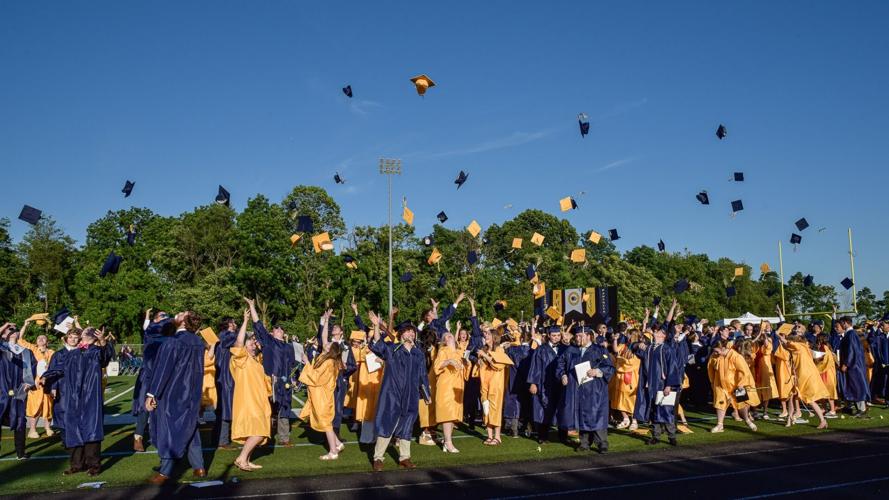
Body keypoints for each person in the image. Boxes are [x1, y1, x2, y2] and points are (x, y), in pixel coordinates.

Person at [40, 327, 113, 475]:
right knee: (73, 430)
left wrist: (103, 341)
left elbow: (106, 358)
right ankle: (77, 465)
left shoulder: (95, 352)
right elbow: (59, 368)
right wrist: (46, 376)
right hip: (72, 398)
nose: (82, 336)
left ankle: (93, 466)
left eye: (84, 334)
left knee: (91, 431)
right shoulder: (73, 353)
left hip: (90, 398)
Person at [145, 311, 207, 484]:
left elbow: (163, 370)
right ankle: (199, 466)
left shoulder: (173, 342)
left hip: (173, 392)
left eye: (181, 314)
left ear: (183, 322)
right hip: (193, 391)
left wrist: (152, 393)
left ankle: (165, 471)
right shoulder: (198, 342)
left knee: (169, 429)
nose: (177, 314)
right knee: (190, 427)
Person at [368, 312, 430, 472]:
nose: (411, 333)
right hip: (392, 394)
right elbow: (376, 344)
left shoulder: (418, 354)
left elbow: (423, 375)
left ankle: (404, 457)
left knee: (407, 424)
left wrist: (426, 394)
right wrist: (376, 325)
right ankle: (378, 458)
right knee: (387, 423)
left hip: (411, 395)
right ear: (401, 334)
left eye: (413, 331)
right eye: (408, 331)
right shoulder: (392, 349)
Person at [245, 297, 296, 446]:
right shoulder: (268, 342)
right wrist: (252, 306)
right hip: (270, 380)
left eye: (281, 328)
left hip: (285, 382)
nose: (279, 329)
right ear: (272, 332)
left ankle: (284, 437)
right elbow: (258, 325)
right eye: (276, 328)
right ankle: (262, 436)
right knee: (267, 409)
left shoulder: (289, 347)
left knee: (284, 409)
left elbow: (292, 365)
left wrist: (293, 379)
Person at [558, 325, 614, 453]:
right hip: (578, 389)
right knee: (581, 414)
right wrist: (563, 374)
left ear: (589, 336)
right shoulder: (571, 350)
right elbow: (560, 364)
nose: (578, 338)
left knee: (597, 415)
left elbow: (610, 368)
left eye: (581, 336)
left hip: (595, 389)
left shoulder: (599, 350)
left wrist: (597, 370)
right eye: (577, 336)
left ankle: (602, 443)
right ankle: (584, 443)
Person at [634, 299, 682, 446]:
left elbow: (673, 368)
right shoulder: (649, 348)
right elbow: (635, 349)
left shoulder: (667, 349)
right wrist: (637, 345)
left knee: (666, 410)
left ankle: (671, 436)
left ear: (663, 335)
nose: (655, 332)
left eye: (658, 332)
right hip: (651, 385)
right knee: (654, 410)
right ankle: (655, 435)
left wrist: (669, 385)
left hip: (663, 384)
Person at [299, 309, 345, 460]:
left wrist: (306, 363)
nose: (327, 342)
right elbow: (324, 337)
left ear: (331, 350)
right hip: (321, 394)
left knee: (326, 423)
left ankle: (333, 452)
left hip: (323, 395)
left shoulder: (330, 362)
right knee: (326, 422)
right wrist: (325, 321)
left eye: (330, 344)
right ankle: (337, 444)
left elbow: (316, 378)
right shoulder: (325, 356)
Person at [230, 308, 273, 470]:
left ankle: (246, 460)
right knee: (260, 431)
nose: (253, 342)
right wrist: (245, 321)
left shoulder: (256, 360)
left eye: (254, 341)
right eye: (251, 341)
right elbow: (238, 343)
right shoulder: (241, 358)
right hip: (248, 401)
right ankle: (241, 458)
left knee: (257, 430)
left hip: (259, 400)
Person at [132, 309, 171, 452]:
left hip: (165, 373)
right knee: (145, 407)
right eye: (162, 316)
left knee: (164, 405)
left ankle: (163, 436)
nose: (165, 318)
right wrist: (148, 316)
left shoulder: (168, 335)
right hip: (149, 374)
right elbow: (146, 327)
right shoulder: (150, 332)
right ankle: (138, 437)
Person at [0, 323, 38, 460]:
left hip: (20, 390)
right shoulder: (1, 349)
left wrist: (29, 383)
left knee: (20, 419)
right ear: (3, 334)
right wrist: (5, 325)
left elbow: (33, 368)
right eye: (10, 330)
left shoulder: (26, 352)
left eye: (15, 330)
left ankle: (20, 452)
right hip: (2, 390)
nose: (13, 331)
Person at [707, 339, 759, 433]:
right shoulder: (715, 355)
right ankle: (719, 425)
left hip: (737, 386)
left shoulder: (736, 356)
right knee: (720, 404)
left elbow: (744, 371)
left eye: (716, 350)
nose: (714, 352)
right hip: (720, 384)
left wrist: (741, 384)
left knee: (742, 404)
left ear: (723, 348)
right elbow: (710, 368)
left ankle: (747, 420)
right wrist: (712, 381)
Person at [527, 324, 566, 444]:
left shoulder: (565, 349)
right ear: (548, 335)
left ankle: (562, 436)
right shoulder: (541, 350)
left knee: (562, 409)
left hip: (561, 384)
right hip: (545, 384)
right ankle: (543, 436)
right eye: (553, 335)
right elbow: (535, 367)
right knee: (545, 410)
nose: (556, 338)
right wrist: (533, 383)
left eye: (558, 335)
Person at [781, 334, 829, 429]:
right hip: (803, 375)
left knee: (809, 399)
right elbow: (787, 347)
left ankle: (822, 420)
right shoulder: (802, 348)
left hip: (805, 376)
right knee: (793, 396)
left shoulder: (799, 347)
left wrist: (781, 338)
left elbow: (789, 344)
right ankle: (790, 418)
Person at [433, 330, 469, 452]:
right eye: (447, 336)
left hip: (457, 387)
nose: (450, 337)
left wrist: (466, 364)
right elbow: (437, 366)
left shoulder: (459, 352)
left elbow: (464, 370)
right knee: (447, 414)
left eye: (451, 336)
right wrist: (448, 361)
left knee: (453, 415)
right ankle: (448, 442)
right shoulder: (443, 351)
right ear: (444, 341)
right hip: (446, 386)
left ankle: (446, 441)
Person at [17, 320, 55, 438]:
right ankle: (32, 430)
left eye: (43, 338)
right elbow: (20, 339)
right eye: (39, 338)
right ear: (36, 342)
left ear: (47, 342)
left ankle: (47, 427)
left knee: (48, 405)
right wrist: (25, 325)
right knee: (35, 406)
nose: (41, 340)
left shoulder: (52, 352)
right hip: (36, 383)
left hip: (48, 382)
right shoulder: (33, 349)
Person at [477, 323, 511, 446]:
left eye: (487, 334)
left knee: (495, 409)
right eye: (484, 333)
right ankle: (489, 436)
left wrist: (485, 356)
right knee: (486, 409)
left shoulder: (499, 349)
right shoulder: (484, 349)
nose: (485, 335)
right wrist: (480, 360)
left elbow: (499, 366)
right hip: (485, 383)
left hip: (496, 383)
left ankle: (497, 437)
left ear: (493, 337)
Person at [213, 316, 239, 449]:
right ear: (229, 324)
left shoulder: (219, 335)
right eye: (233, 322)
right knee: (226, 407)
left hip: (220, 375)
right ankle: (223, 440)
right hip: (226, 376)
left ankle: (216, 437)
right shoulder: (227, 335)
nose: (235, 324)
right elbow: (238, 339)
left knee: (222, 407)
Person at [838, 316, 870, 417]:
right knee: (850, 385)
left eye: (842, 323)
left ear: (846, 323)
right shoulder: (850, 334)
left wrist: (846, 363)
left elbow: (851, 350)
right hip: (854, 364)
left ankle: (862, 409)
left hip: (854, 366)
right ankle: (848, 407)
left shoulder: (851, 334)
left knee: (857, 386)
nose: (841, 325)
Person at [610, 327, 641, 430]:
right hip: (621, 377)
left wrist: (620, 361)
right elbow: (615, 349)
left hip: (632, 376)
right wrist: (614, 340)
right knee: (620, 397)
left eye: (629, 334)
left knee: (631, 398)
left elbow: (634, 362)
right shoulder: (624, 346)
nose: (627, 336)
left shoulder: (638, 347)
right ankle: (626, 418)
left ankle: (635, 420)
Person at [814, 333, 839, 417]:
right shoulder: (826, 347)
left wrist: (816, 365)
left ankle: (832, 410)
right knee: (822, 391)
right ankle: (824, 408)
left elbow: (824, 361)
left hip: (826, 372)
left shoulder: (824, 347)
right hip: (826, 371)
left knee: (828, 391)